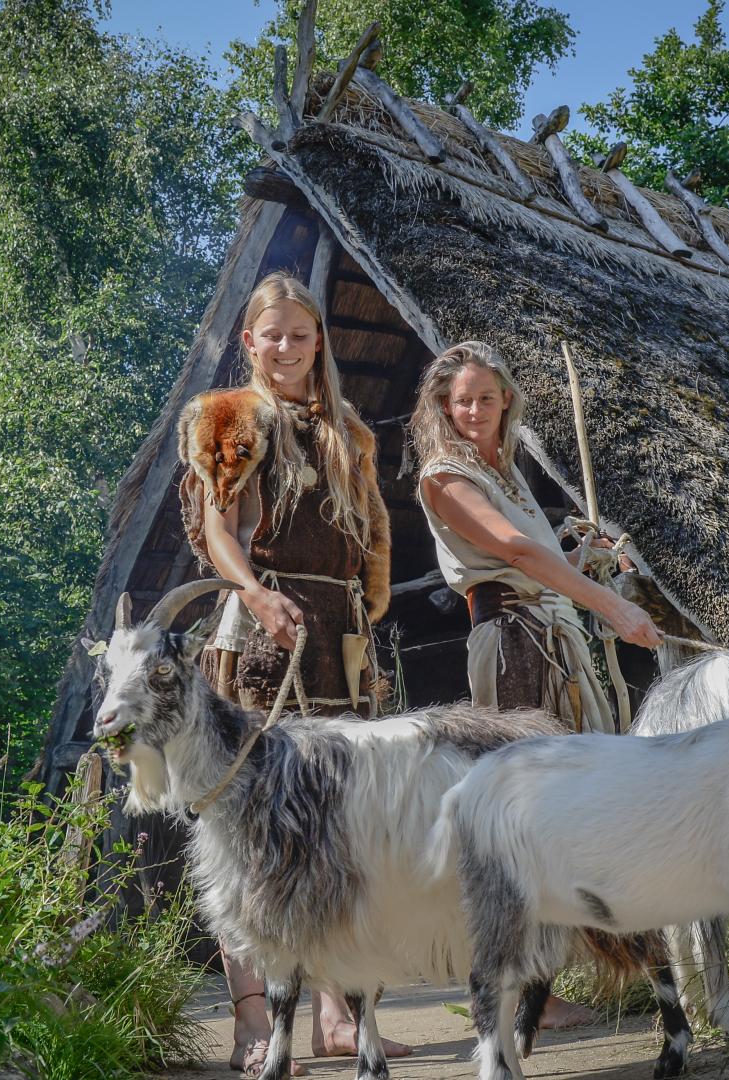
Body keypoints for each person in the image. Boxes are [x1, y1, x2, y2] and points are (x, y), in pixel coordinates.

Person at [179, 270, 402, 1075]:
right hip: (260, 634)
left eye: (299, 336)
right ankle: (251, 1024)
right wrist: (257, 594)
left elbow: (365, 536)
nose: (285, 348)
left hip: (338, 633)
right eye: (271, 335)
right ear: (249, 343)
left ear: (318, 343)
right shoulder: (232, 418)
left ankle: (335, 1019)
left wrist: (358, 615)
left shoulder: (346, 430)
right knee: (247, 831)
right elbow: (219, 526)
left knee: (337, 824)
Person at [411, 340, 663, 1026]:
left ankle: (548, 983)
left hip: (554, 637)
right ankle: (515, 991)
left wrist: (585, 556)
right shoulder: (445, 475)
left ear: (506, 401)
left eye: (486, 399)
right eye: (460, 400)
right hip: (518, 644)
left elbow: (540, 555)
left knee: (570, 810)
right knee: (528, 814)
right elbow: (516, 554)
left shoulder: (508, 473)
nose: (473, 411)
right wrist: (607, 603)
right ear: (442, 406)